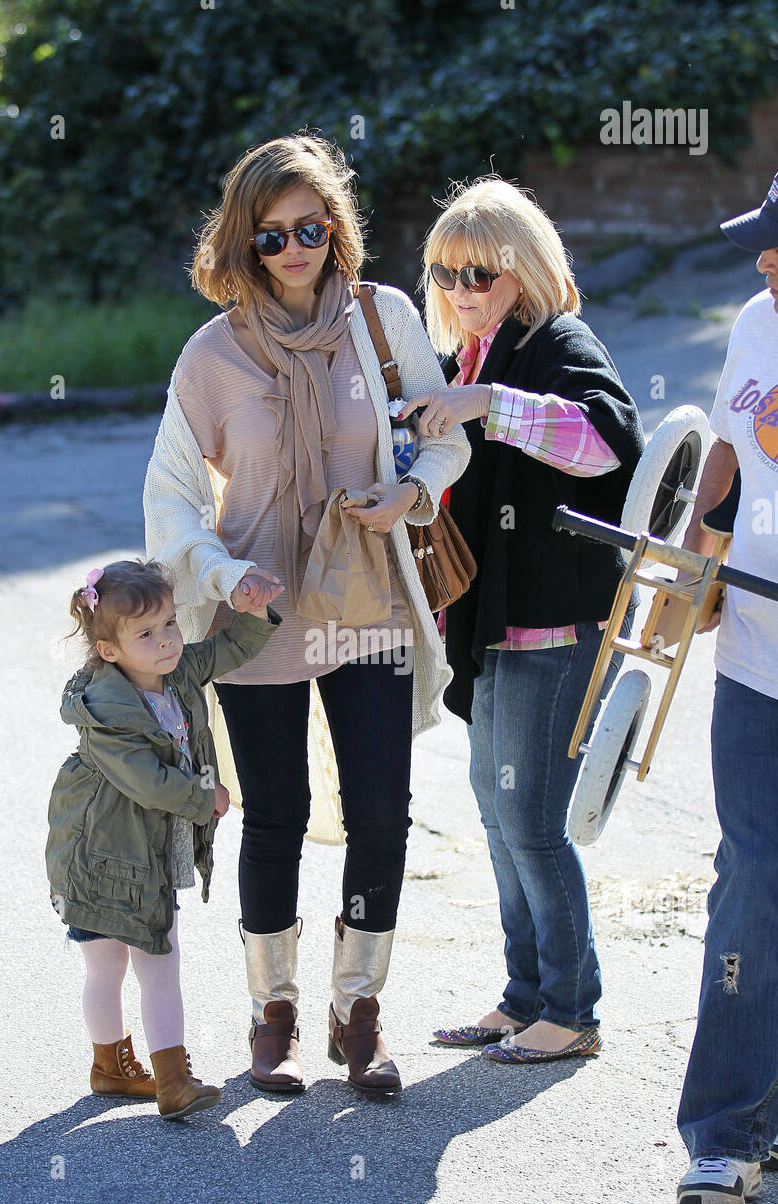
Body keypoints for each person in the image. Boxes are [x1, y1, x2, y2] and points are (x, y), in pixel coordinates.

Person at [143, 134, 469, 1096]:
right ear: (242, 244)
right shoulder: (211, 354)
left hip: (364, 599)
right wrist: (216, 566)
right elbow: (170, 495)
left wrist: (413, 494)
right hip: (260, 611)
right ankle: (271, 1015)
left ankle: (358, 1010)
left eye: (311, 228)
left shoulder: (383, 320)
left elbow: (444, 431)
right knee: (275, 814)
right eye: (272, 235)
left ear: (337, 229)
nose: (294, 249)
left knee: (380, 811)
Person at [401, 178, 645, 1063]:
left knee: (535, 819)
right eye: (445, 272)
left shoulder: (556, 341)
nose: (462, 290)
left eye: (481, 273)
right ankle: (523, 995)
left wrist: (489, 407)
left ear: (526, 270)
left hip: (560, 625)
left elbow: (611, 441)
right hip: (498, 629)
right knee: (500, 816)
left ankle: (572, 1010)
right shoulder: (469, 355)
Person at [45, 559, 280, 1118]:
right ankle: (167, 1080)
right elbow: (148, 782)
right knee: (129, 964)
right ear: (109, 651)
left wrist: (250, 614)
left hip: (143, 845)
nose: (167, 641)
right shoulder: (107, 710)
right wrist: (206, 797)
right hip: (106, 854)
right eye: (146, 634)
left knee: (138, 963)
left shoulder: (175, 673)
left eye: (171, 624)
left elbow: (226, 651)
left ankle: (112, 1069)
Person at [675, 172, 778, 1204]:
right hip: (754, 654)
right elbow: (726, 453)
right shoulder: (757, 320)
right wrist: (699, 564)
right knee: (751, 873)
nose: (764, 260)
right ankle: (725, 1130)